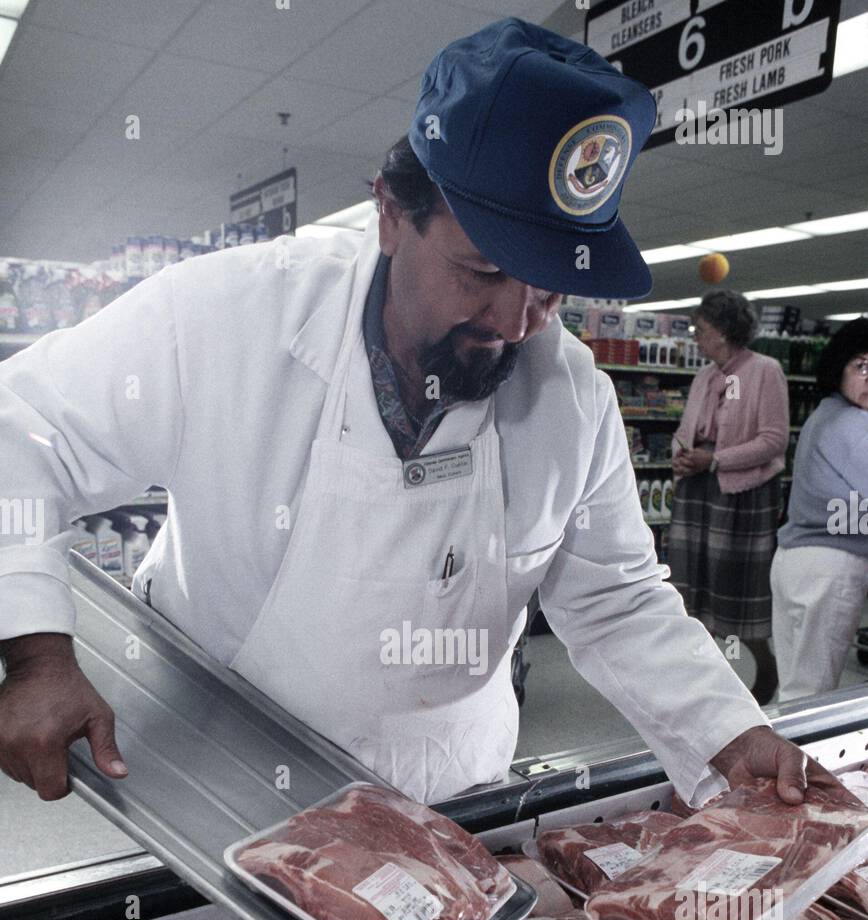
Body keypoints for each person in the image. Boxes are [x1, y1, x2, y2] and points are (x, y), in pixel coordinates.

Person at [0, 20, 833, 811]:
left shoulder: (569, 392)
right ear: (392, 215)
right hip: (227, 772)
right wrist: (36, 652)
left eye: (549, 287)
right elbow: (23, 427)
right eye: (482, 273)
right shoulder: (227, 314)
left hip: (451, 794)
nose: (515, 325)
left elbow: (615, 599)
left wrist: (732, 734)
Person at [668, 290, 790, 705]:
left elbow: (773, 441)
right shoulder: (705, 376)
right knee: (693, 589)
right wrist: (681, 457)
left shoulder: (765, 371)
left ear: (723, 331)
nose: (696, 338)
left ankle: (764, 673)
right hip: (698, 489)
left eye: (701, 330)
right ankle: (704, 681)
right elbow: (685, 429)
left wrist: (716, 460)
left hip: (742, 495)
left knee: (735, 592)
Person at [771, 319, 868, 702]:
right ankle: (801, 762)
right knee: (813, 696)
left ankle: (779, 759)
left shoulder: (824, 413)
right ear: (838, 366)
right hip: (830, 568)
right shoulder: (855, 423)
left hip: (792, 562)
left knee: (796, 687)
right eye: (861, 366)